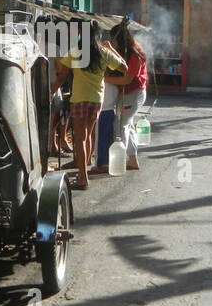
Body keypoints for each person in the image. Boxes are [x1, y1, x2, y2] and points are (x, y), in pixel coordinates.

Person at [55, 22, 125, 189]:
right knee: (87, 136)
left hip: (79, 99)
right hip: (96, 100)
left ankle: (83, 177)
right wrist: (112, 50)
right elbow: (124, 67)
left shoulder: (75, 53)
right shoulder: (104, 52)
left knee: (79, 138)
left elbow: (61, 77)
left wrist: (51, 92)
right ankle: (83, 172)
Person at [104, 21, 148, 170]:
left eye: (114, 40)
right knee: (128, 125)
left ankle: (121, 159)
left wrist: (104, 79)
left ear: (120, 40)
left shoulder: (134, 55)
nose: (112, 42)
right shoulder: (126, 51)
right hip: (129, 92)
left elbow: (127, 78)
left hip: (133, 93)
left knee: (121, 125)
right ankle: (132, 159)